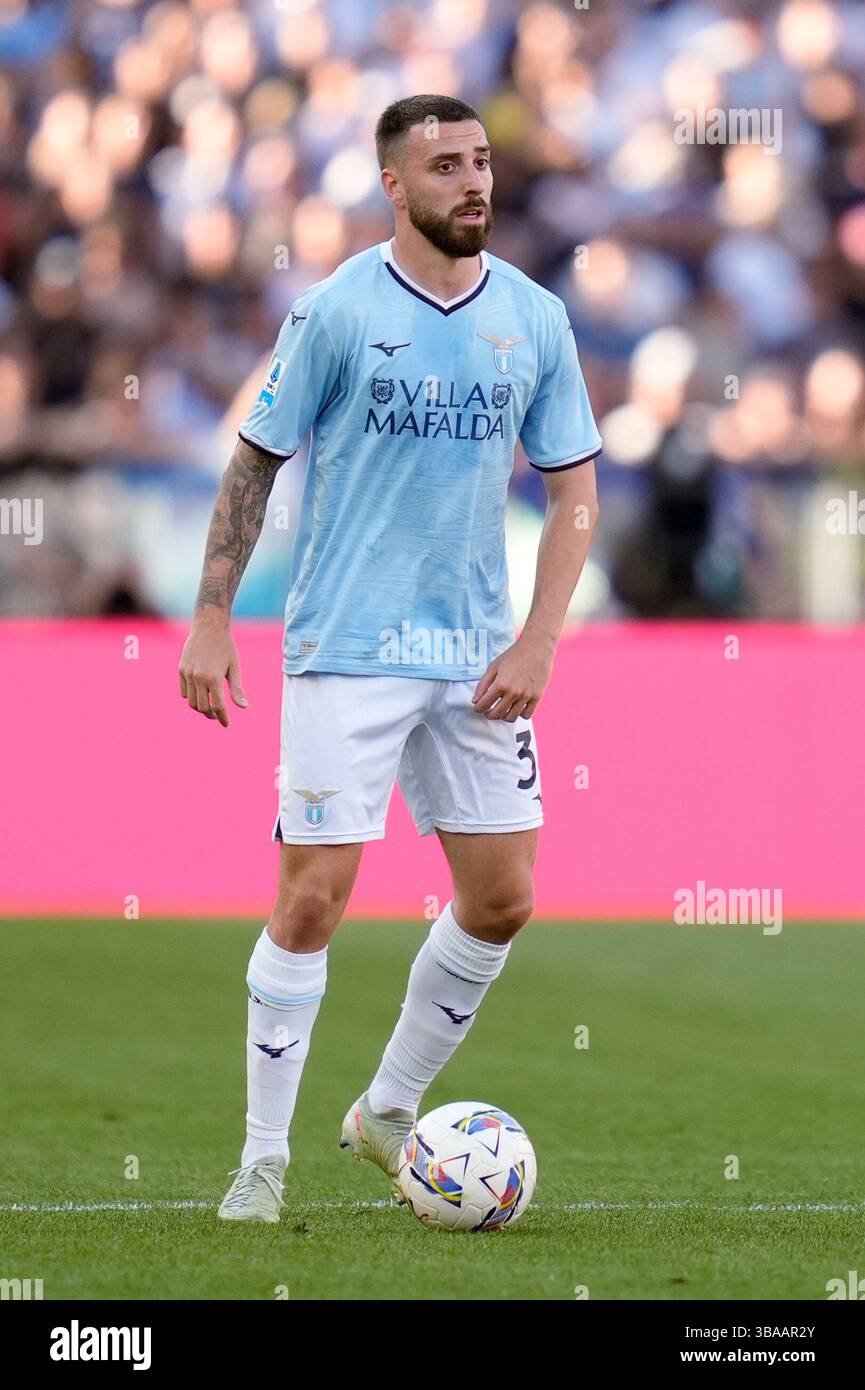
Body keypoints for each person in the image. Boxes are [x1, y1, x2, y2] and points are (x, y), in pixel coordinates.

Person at [177, 95, 601, 1222]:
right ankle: (262, 1160)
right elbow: (254, 463)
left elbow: (574, 496)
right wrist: (212, 614)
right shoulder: (335, 311)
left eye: (482, 163)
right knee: (313, 900)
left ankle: (384, 1109)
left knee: (503, 898)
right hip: (347, 643)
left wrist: (537, 638)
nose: (475, 184)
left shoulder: (536, 317)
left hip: (474, 655)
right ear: (395, 187)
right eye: (447, 167)